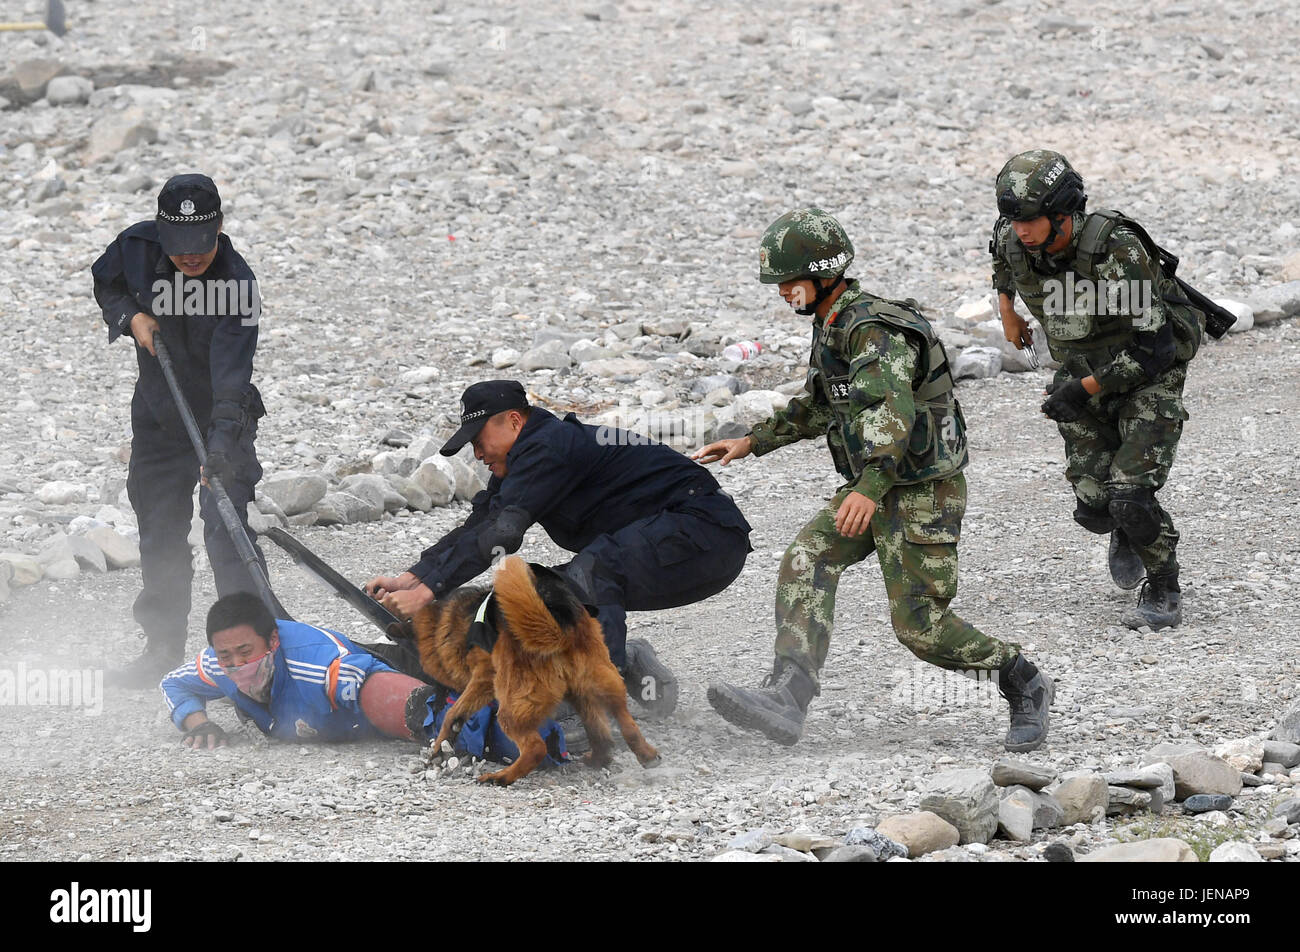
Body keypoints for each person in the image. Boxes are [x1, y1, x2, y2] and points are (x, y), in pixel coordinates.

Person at [694, 208, 1054, 752]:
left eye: (788, 283)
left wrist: (869, 486)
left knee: (920, 627)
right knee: (808, 558)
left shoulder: (873, 329)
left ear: (820, 275)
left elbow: (891, 411)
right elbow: (824, 404)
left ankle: (1022, 680)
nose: (782, 294)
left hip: (919, 490)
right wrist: (754, 440)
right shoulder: (835, 324)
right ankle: (789, 694)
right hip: (878, 482)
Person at [364, 380, 753, 716]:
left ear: (515, 421)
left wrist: (428, 594)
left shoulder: (549, 447)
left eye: (480, 441)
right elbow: (479, 526)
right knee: (538, 592)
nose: (478, 455)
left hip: (706, 534)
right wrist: (415, 578)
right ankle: (632, 662)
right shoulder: (524, 460)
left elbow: (503, 533)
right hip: (668, 550)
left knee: (594, 572)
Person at [990, 150, 1203, 629]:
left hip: (1147, 372)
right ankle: (1123, 528)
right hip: (1083, 367)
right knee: (1093, 505)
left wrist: (1082, 389)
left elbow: (1154, 350)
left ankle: (1165, 584)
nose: (1021, 230)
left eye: (1031, 219)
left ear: (1063, 212)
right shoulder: (1014, 235)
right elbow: (1001, 257)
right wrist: (1008, 310)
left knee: (1129, 494)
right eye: (1014, 220)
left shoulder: (1114, 251)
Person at [92, 173, 283, 687]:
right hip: (157, 416)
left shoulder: (238, 287)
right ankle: (161, 648)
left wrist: (219, 449)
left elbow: (231, 380)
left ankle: (257, 652)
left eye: (199, 246)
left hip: (223, 418)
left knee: (225, 528)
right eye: (179, 247)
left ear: (218, 227)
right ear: (161, 230)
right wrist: (130, 316)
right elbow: (104, 281)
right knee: (158, 530)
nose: (189, 258)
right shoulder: (135, 247)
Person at [161, 592, 440, 748]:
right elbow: (173, 683)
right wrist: (199, 724)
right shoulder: (217, 664)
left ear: (273, 640)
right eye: (226, 655)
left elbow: (372, 681)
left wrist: (442, 722)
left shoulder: (321, 669)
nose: (237, 664)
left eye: (246, 652)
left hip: (398, 662)